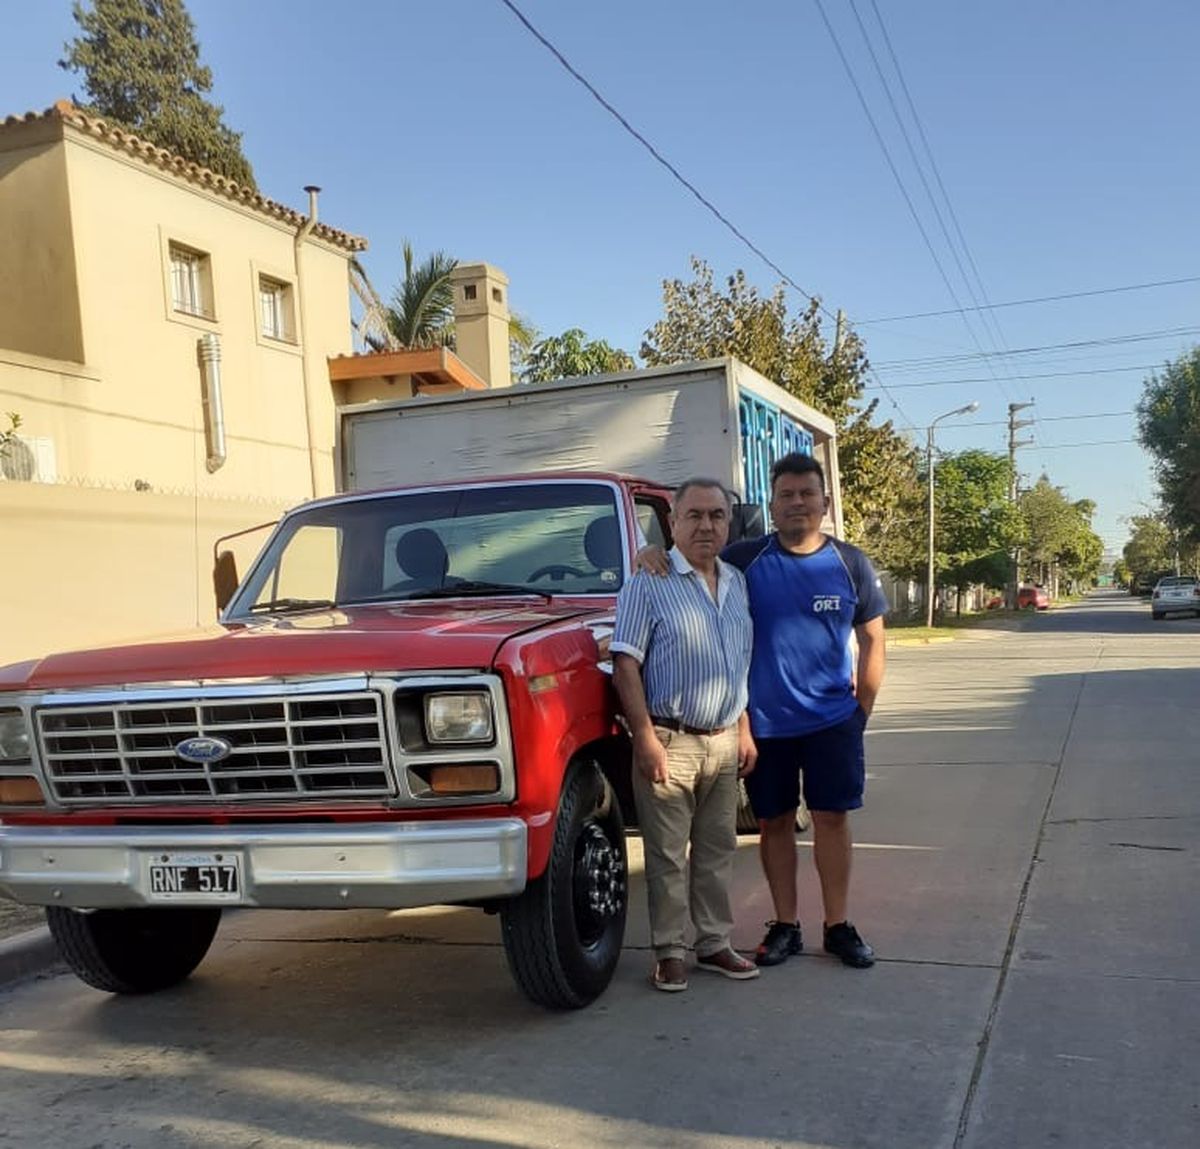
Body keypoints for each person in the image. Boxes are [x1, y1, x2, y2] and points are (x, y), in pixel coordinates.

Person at [639, 453, 887, 969]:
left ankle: (838, 925)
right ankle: (786, 925)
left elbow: (873, 642)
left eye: (807, 494)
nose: (798, 502)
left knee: (832, 821)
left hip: (832, 722)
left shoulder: (851, 563)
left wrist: (858, 714)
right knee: (773, 824)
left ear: (824, 502)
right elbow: (692, 554)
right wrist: (648, 552)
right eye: (787, 495)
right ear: (771, 506)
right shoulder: (745, 561)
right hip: (765, 727)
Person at [611, 477, 760, 992]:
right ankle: (669, 951)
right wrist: (644, 737)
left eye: (716, 515)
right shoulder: (647, 581)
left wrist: (743, 729)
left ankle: (714, 943)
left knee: (718, 850)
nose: (706, 525)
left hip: (723, 740)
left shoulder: (737, 581)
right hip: (669, 741)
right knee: (668, 855)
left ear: (728, 523)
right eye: (693, 515)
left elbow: (739, 662)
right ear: (672, 523)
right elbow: (625, 664)